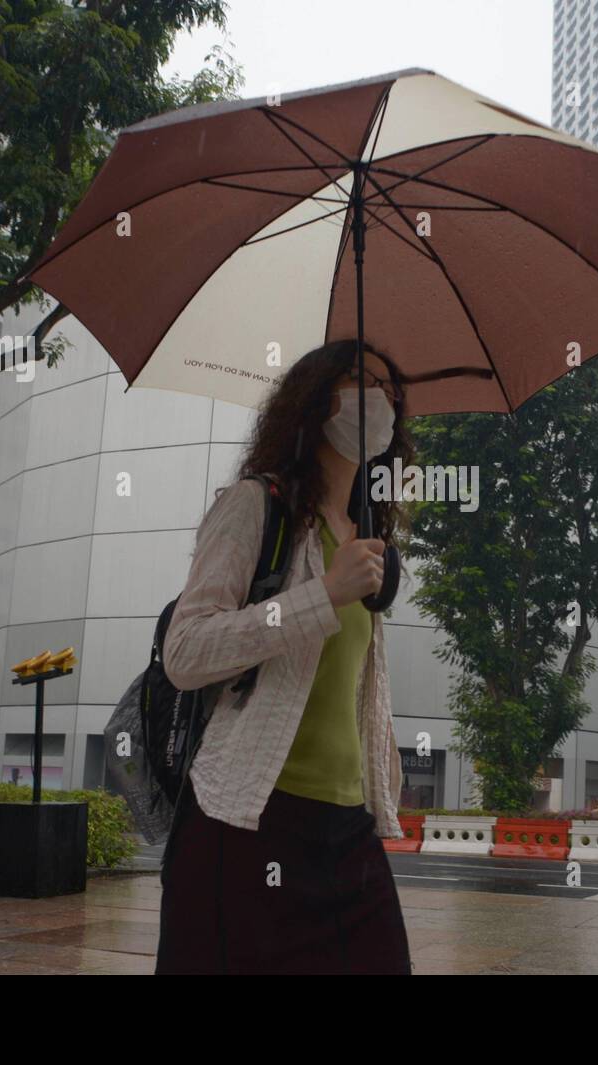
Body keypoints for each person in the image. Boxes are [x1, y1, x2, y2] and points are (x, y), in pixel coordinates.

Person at [154, 338, 415, 975]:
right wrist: (321, 594)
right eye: (359, 380)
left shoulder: (370, 543)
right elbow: (185, 651)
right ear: (312, 399)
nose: (376, 398)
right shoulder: (255, 506)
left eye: (389, 389)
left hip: (347, 830)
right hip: (246, 821)